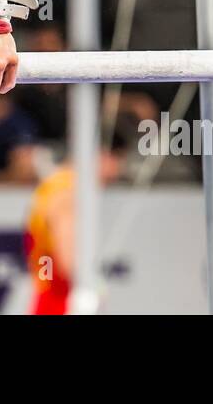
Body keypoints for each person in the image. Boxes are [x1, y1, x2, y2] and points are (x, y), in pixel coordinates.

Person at [24, 128, 130, 315]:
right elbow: (68, 260)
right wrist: (93, 286)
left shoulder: (53, 183)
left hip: (47, 299)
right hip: (62, 302)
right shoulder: (69, 191)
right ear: (103, 155)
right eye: (118, 161)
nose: (116, 173)